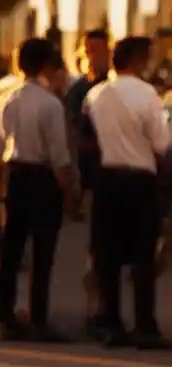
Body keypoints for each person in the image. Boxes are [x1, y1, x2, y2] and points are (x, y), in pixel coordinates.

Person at [84, 36, 169, 349]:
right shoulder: (148, 95)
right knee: (142, 256)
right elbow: (161, 143)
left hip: (107, 179)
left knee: (108, 253)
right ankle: (144, 325)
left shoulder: (95, 95)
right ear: (137, 59)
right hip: (139, 180)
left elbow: (86, 138)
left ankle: (110, 321)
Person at [0, 38, 74, 342]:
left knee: (10, 250)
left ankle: (5, 316)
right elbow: (59, 154)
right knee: (42, 251)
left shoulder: (3, 101)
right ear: (48, 66)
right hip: (42, 178)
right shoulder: (50, 104)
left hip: (14, 177)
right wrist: (68, 190)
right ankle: (38, 318)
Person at [64, 29, 111, 331]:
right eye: (88, 50)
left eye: (99, 50)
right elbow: (70, 132)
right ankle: (96, 308)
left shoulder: (115, 87)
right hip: (92, 177)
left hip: (117, 174)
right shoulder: (78, 90)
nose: (93, 56)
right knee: (97, 245)